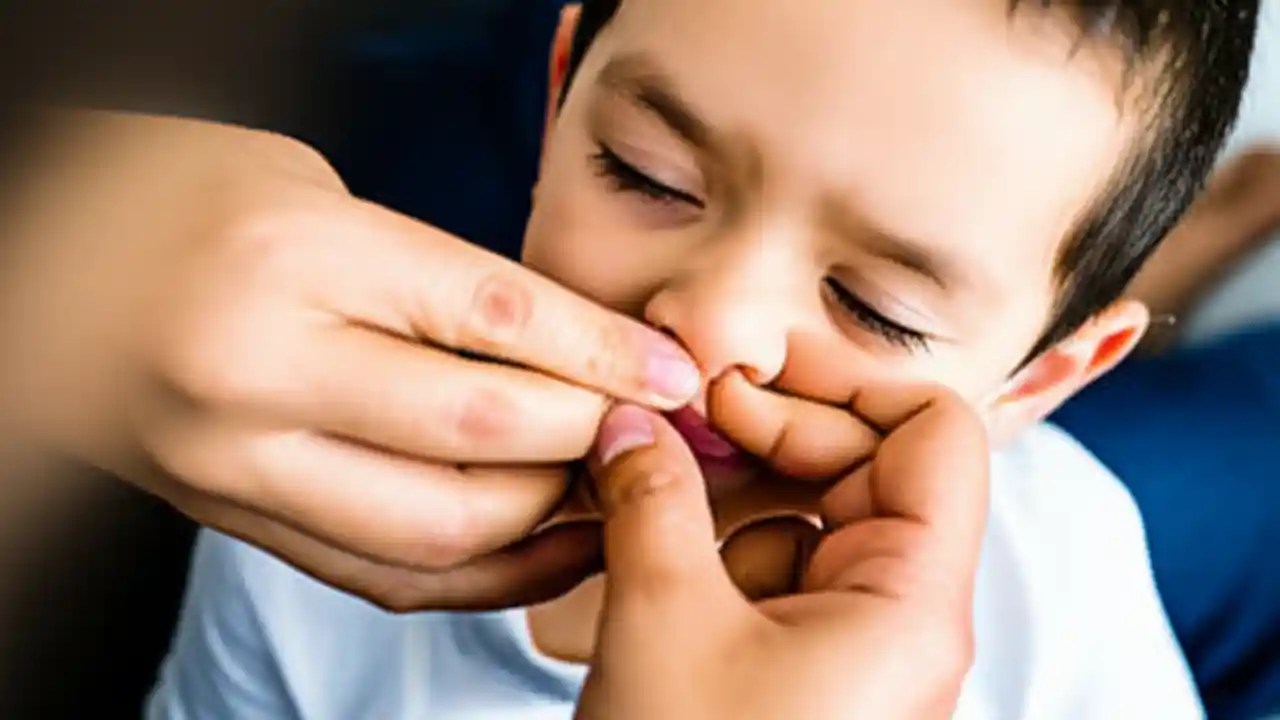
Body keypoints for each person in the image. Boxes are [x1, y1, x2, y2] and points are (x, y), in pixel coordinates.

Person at [144, 1, 1257, 718]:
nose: (714, 321)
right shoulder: (298, 492)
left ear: (1034, 383)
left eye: (877, 304)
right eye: (646, 174)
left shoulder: (1070, 569)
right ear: (561, 90)